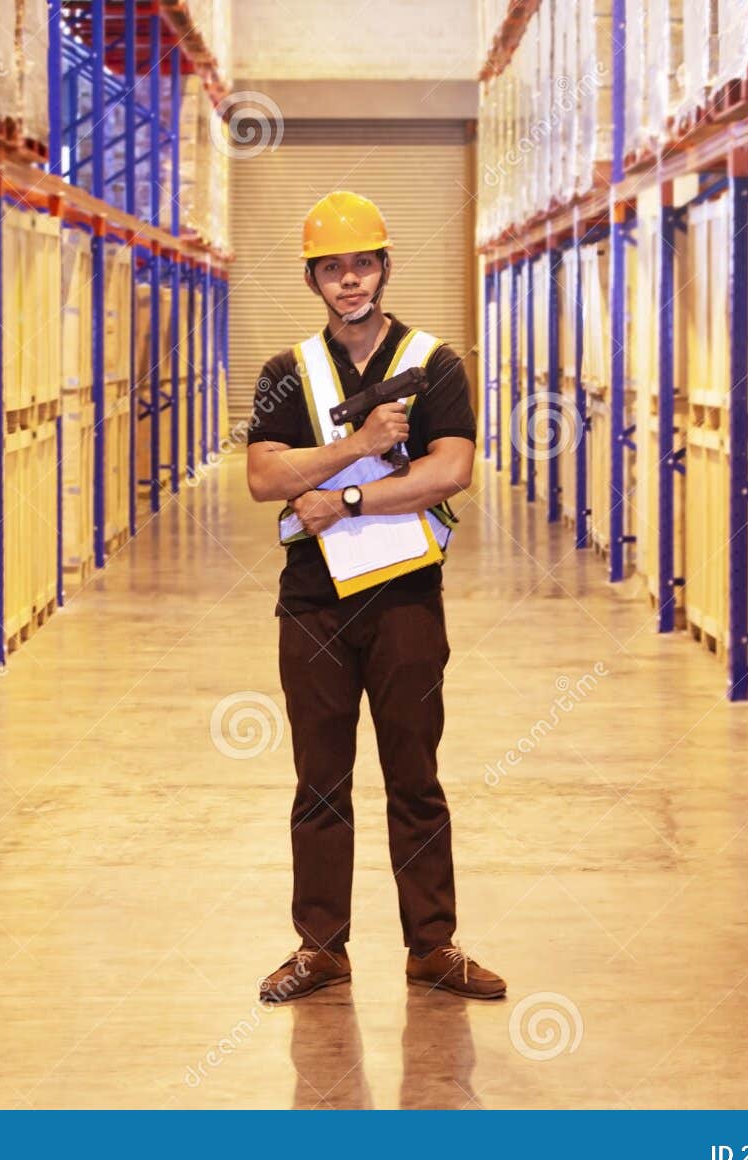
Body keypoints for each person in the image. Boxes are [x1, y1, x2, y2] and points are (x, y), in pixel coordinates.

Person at [246, 190, 505, 1003]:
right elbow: (263, 476)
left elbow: (451, 469)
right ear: (314, 279)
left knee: (414, 772)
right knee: (319, 779)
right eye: (333, 268)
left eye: (363, 263)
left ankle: (433, 946)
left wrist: (346, 497)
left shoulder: (436, 363)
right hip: (314, 604)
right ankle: (320, 949)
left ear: (385, 268)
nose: (350, 280)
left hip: (404, 601)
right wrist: (358, 447)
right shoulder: (287, 373)